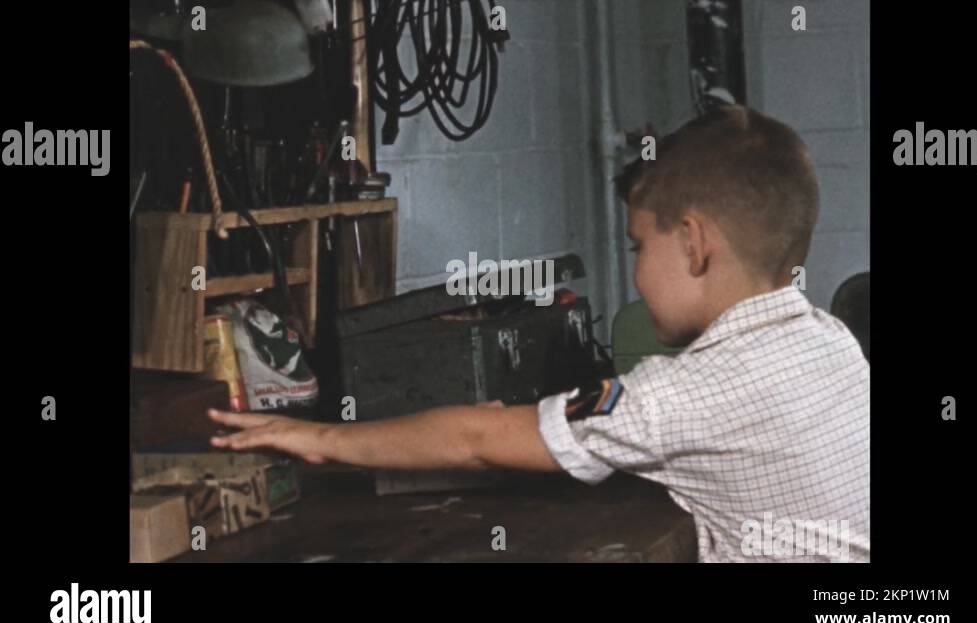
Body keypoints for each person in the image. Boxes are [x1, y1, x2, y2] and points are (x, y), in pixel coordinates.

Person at [210, 105, 870, 562]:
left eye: (639, 244)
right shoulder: (834, 341)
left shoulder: (677, 396)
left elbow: (474, 440)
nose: (636, 272)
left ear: (695, 244)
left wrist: (321, 438)